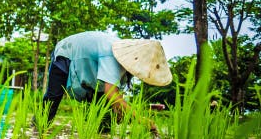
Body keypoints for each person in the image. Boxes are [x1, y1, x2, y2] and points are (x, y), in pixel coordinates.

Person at [41, 31, 172, 132]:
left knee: (105, 113)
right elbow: (112, 94)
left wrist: (129, 113)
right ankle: (38, 129)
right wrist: (143, 120)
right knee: (52, 99)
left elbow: (115, 99)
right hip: (66, 52)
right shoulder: (111, 55)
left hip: (91, 69)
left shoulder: (123, 65)